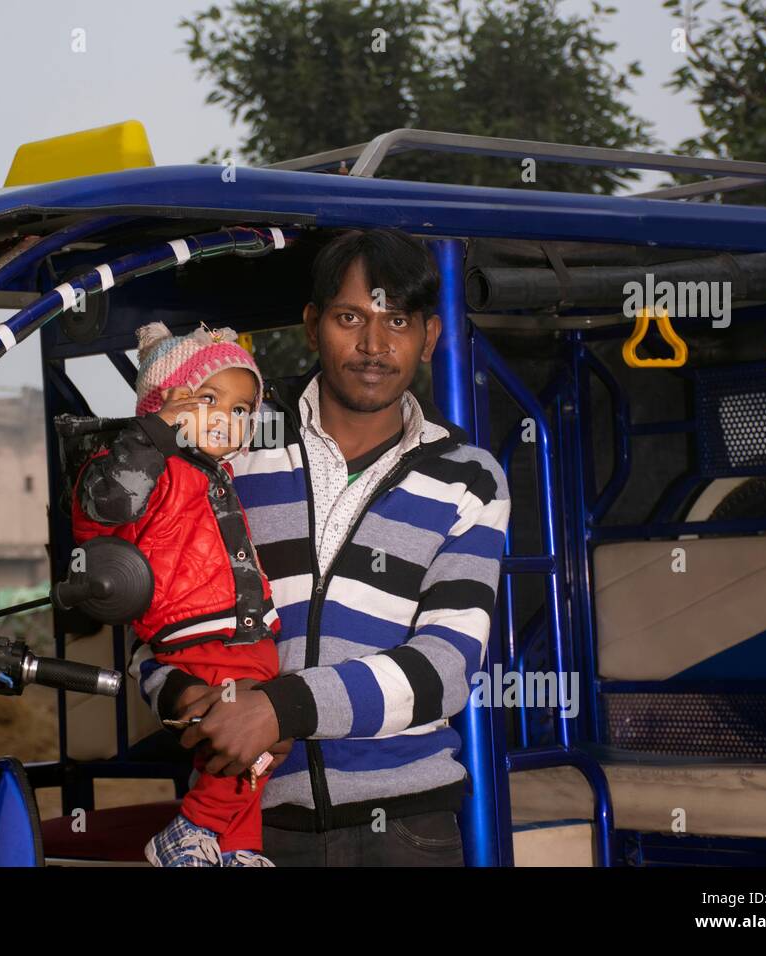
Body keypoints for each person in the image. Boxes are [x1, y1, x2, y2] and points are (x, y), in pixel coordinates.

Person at [129, 228, 511, 866]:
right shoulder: (237, 453)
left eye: (397, 321)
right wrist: (182, 697)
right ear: (312, 326)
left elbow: (446, 666)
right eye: (350, 318)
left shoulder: (468, 476)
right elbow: (164, 622)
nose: (373, 344)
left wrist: (278, 709)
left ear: (429, 337)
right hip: (249, 828)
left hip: (407, 833)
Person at [67, 320, 282, 867]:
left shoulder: (212, 473)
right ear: (165, 403)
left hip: (243, 628)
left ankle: (237, 849)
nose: (226, 419)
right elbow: (106, 508)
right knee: (245, 732)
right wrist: (153, 434)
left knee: (257, 741)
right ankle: (193, 826)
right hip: (194, 627)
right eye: (209, 399)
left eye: (240, 409)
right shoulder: (145, 464)